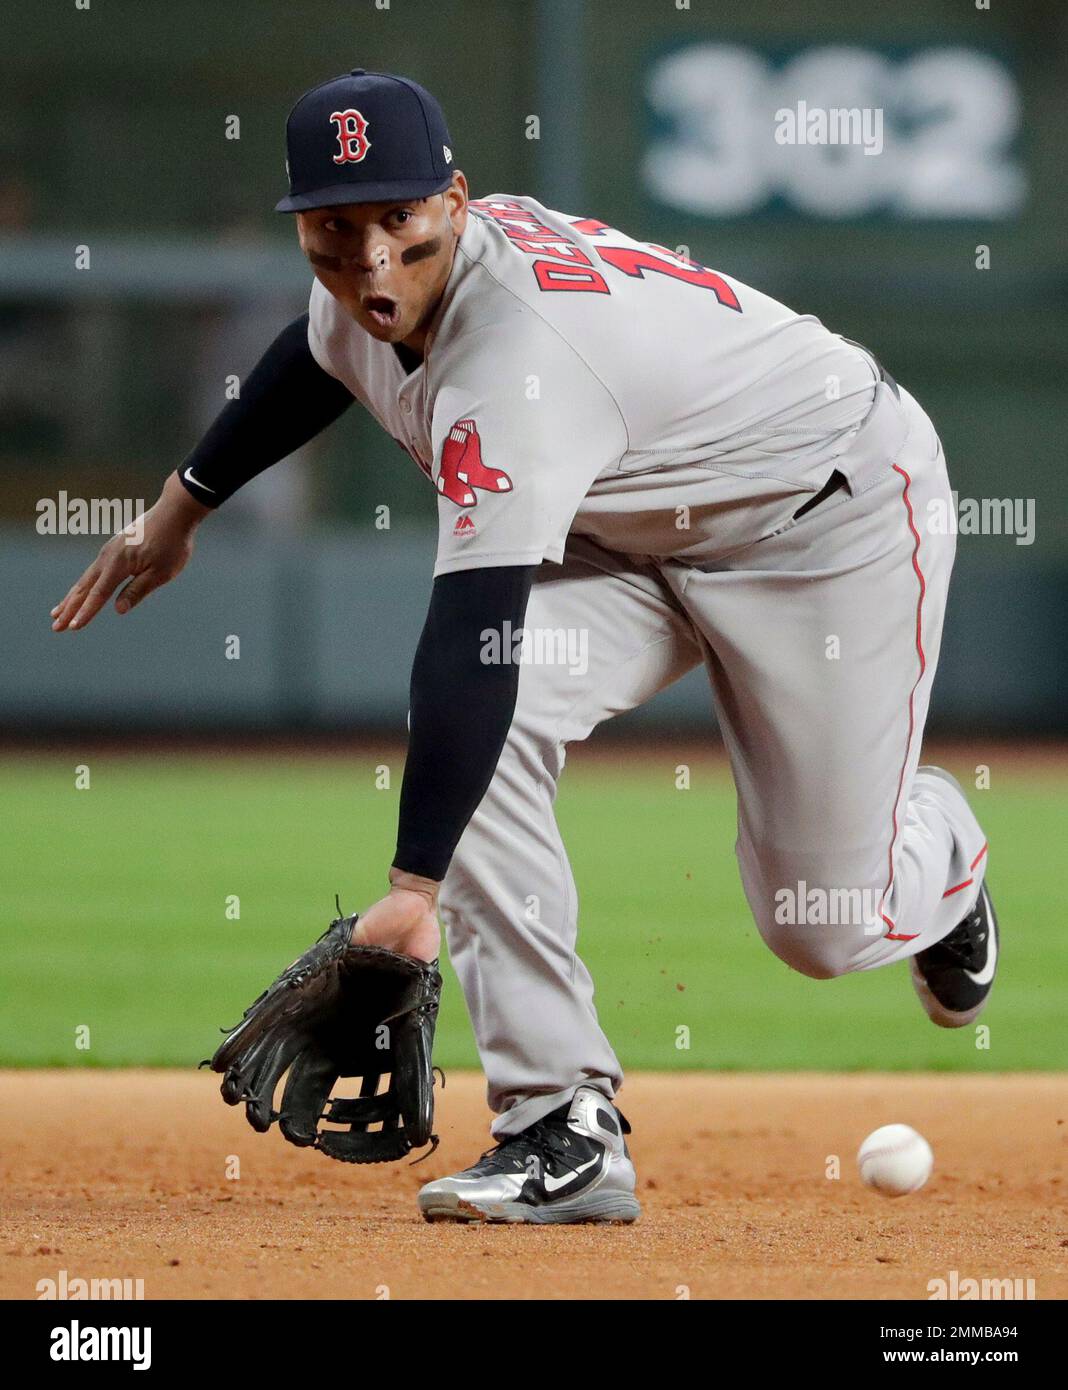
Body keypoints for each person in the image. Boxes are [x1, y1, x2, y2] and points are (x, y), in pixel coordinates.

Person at [52, 69, 996, 1226]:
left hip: (824, 518)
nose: (372, 264)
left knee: (821, 923)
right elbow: (318, 358)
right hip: (628, 516)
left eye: (400, 220)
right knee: (491, 747)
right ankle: (562, 1123)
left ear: (455, 199)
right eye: (337, 230)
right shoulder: (360, 289)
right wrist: (183, 503)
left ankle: (943, 857)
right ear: (303, 223)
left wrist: (411, 893)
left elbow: (476, 637)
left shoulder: (516, 366)